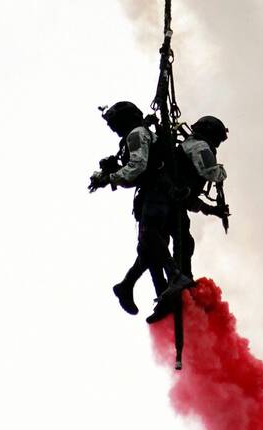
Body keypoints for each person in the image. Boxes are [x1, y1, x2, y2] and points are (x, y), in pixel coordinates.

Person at [89, 105, 231, 322]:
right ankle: (172, 282)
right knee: (153, 244)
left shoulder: (143, 136)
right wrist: (110, 177)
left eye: (115, 124)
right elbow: (211, 172)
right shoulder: (198, 146)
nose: (115, 130)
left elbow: (186, 193)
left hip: (168, 199)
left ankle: (158, 288)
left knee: (163, 245)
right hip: (159, 196)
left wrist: (211, 209)